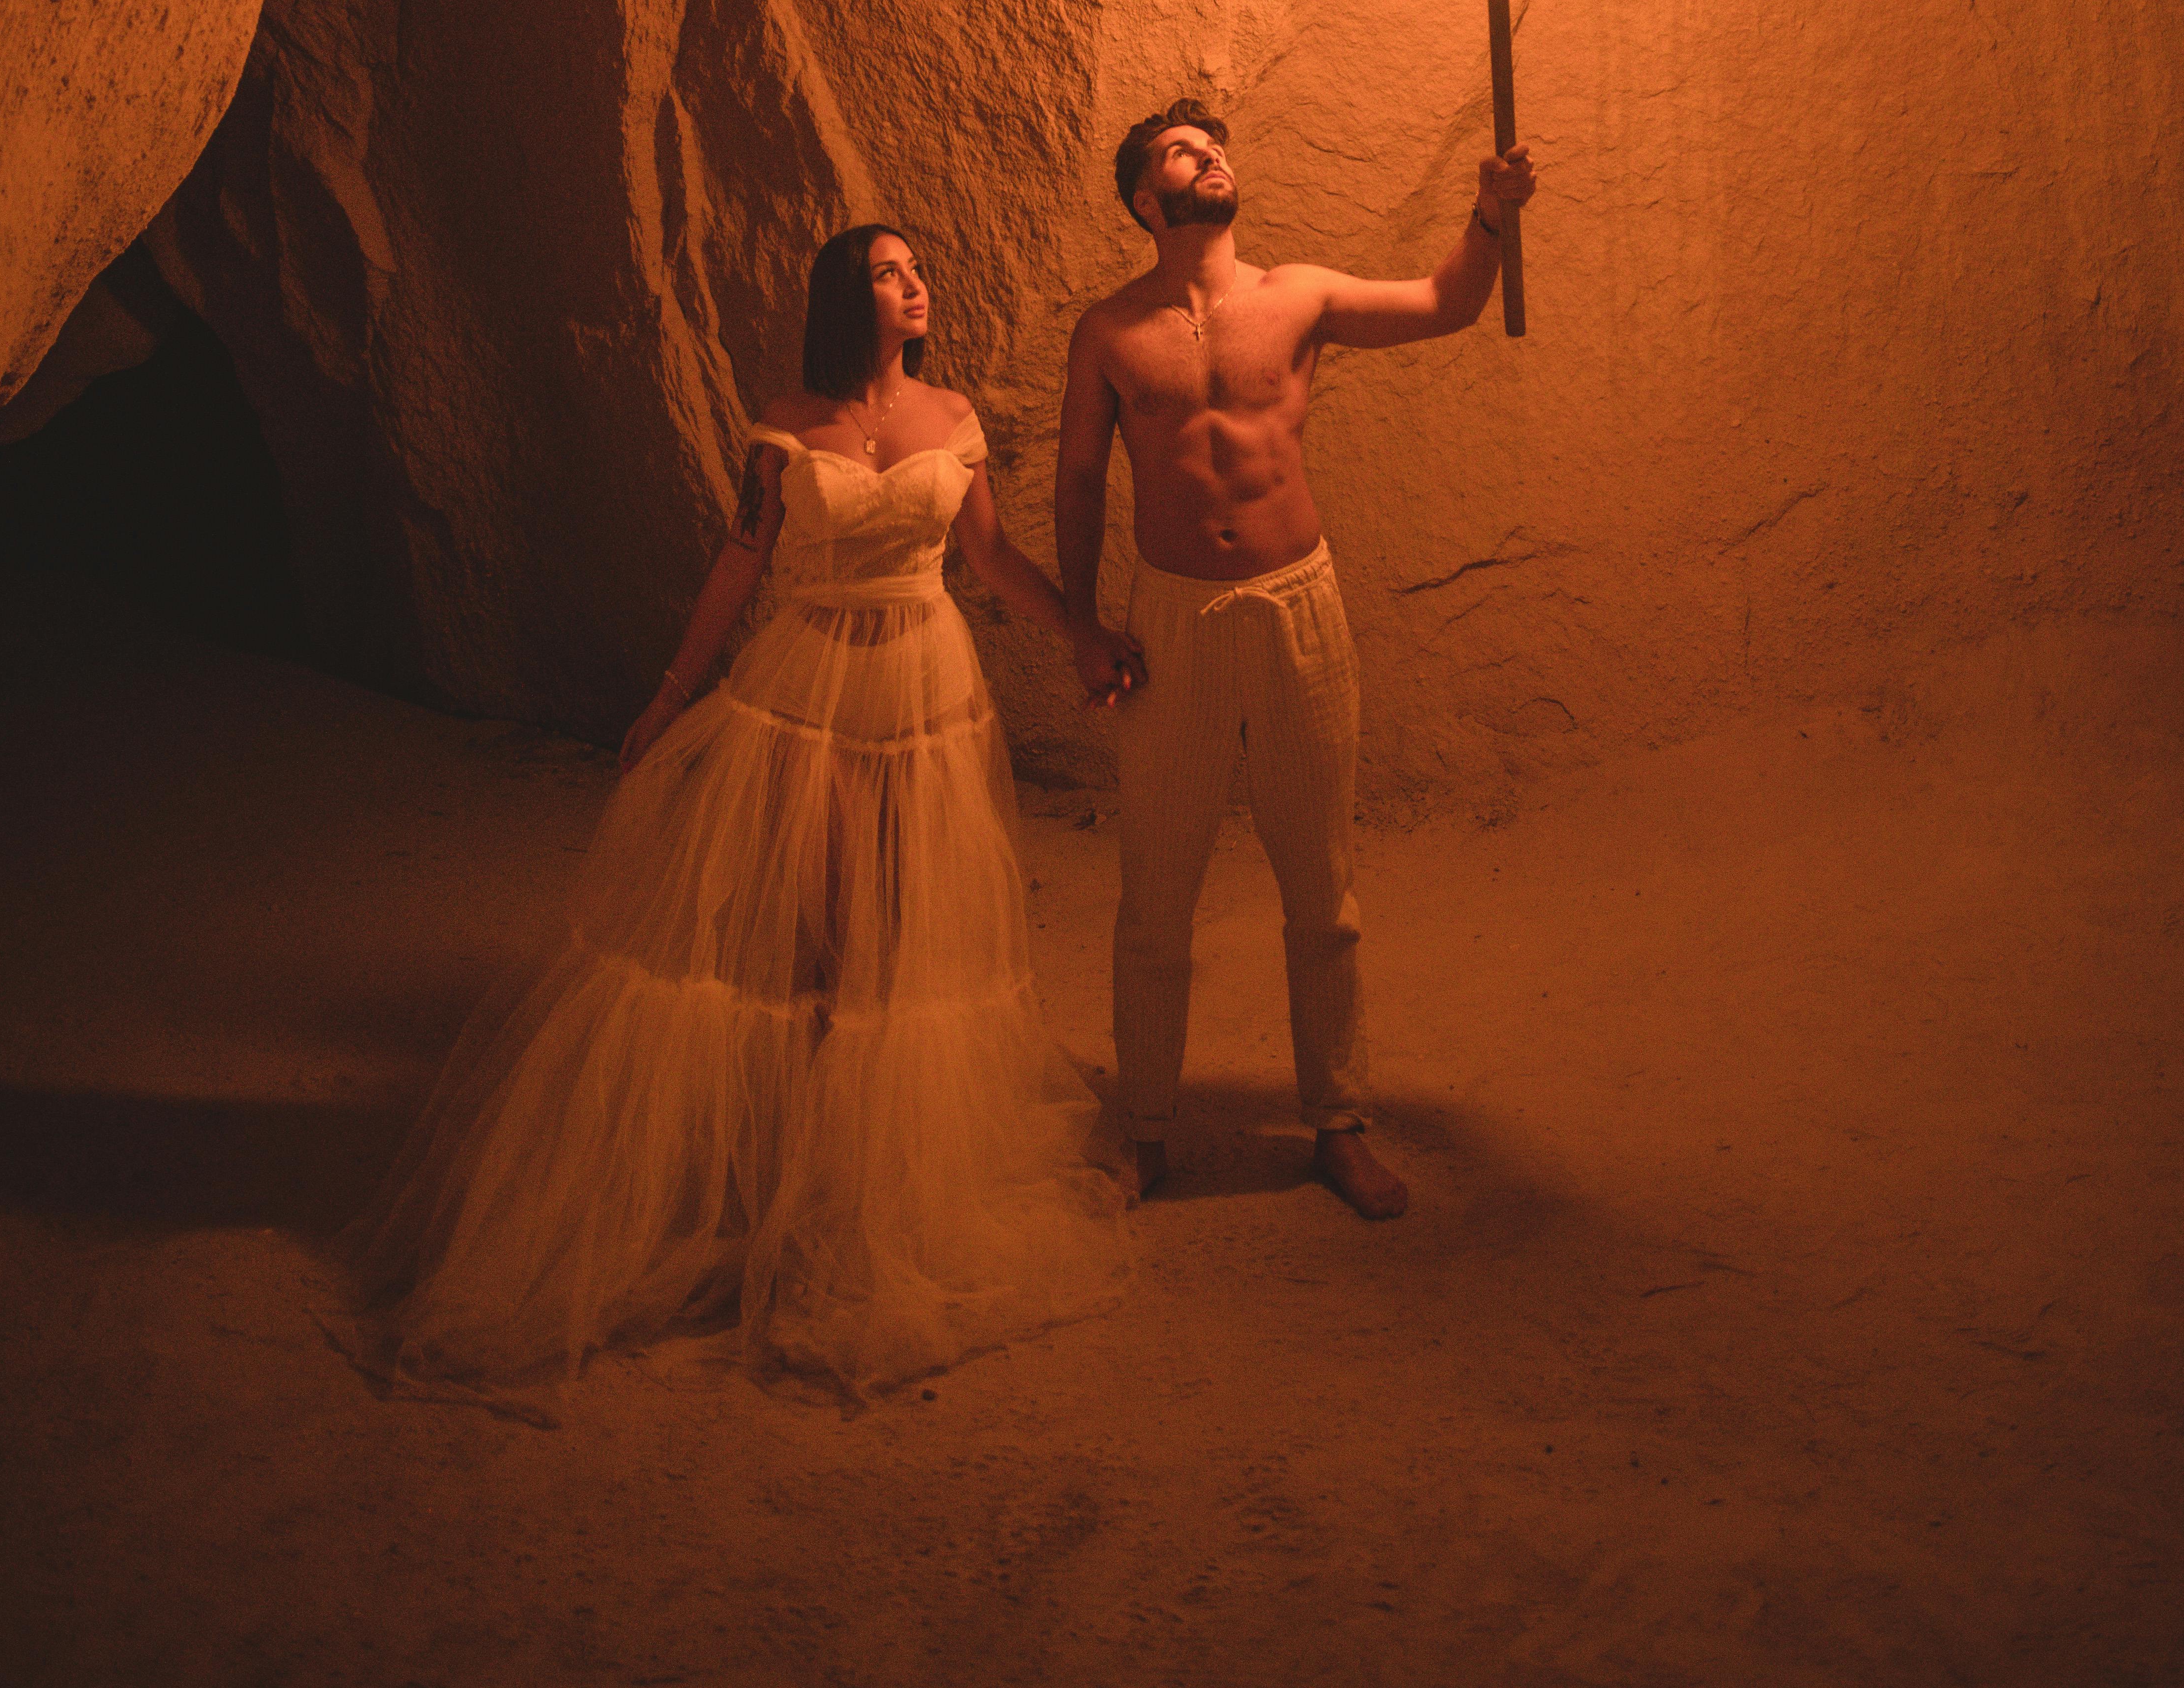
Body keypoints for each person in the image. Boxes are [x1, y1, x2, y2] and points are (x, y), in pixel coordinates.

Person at [351, 225, 1131, 1400]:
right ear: (844, 296)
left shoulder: (954, 418)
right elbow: (739, 556)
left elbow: (991, 561)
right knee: (796, 929)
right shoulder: (786, 418)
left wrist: (1081, 630)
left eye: (918, 272)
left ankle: (862, 1188)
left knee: (895, 939)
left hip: (921, 683)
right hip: (802, 682)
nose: (916, 288)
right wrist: (672, 692)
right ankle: (768, 1175)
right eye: (889, 272)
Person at [1056, 99, 1537, 1222]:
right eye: (1182, 151)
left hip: (1294, 605)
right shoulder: (1109, 331)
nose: (1210, 155)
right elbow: (1080, 480)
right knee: (1153, 896)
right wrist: (1082, 623)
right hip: (1170, 617)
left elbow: (1441, 302)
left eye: (1212, 145)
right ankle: (1144, 1126)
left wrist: (1488, 214)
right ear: (1144, 197)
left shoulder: (1299, 294)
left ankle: (1338, 1120)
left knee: (1319, 883)